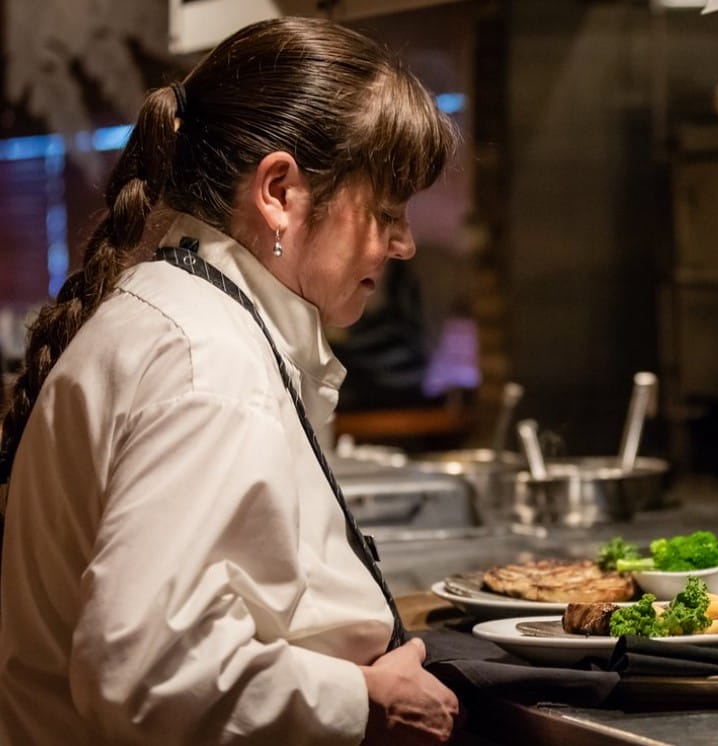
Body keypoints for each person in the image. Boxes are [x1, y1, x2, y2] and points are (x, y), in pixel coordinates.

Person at [0, 16, 460, 744]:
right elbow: (145, 669)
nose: (402, 242)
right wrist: (363, 699)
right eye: (386, 210)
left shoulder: (184, 315)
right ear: (278, 190)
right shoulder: (207, 361)